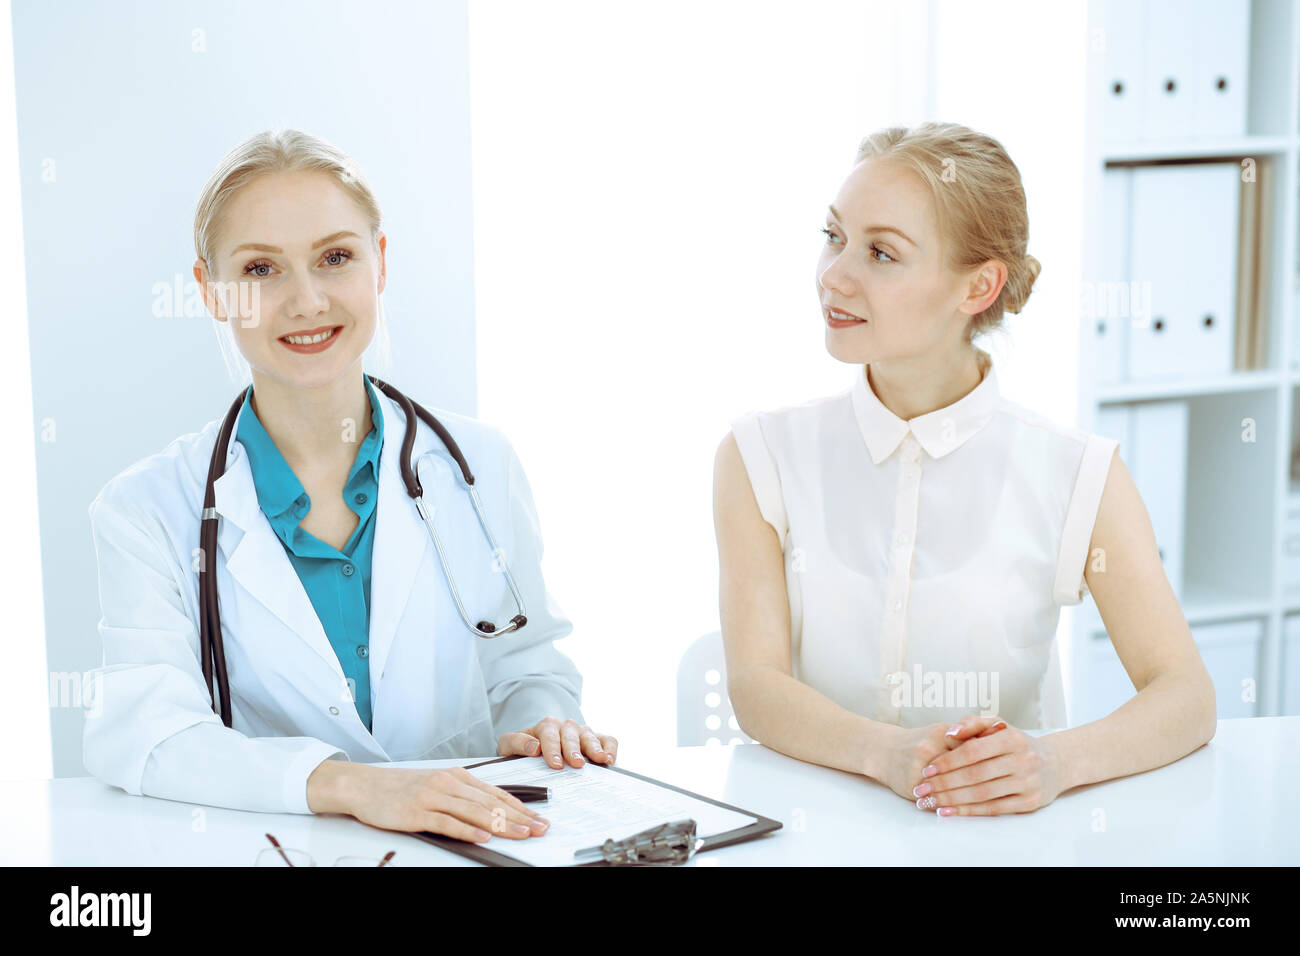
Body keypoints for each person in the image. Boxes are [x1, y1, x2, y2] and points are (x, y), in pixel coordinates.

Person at [84, 129, 615, 844]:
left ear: (380, 264)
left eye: (335, 258)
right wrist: (351, 786)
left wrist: (544, 725)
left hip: (470, 851)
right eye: (262, 269)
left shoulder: (479, 465)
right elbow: (146, 735)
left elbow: (525, 663)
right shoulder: (145, 510)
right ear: (212, 293)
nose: (306, 301)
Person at [712, 121, 1216, 817]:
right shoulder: (758, 455)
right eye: (834, 237)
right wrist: (883, 753)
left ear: (978, 287)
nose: (834, 275)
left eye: (881, 253)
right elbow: (757, 685)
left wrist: (1053, 761)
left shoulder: (1077, 473)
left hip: (997, 841)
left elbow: (1186, 696)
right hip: (815, 834)